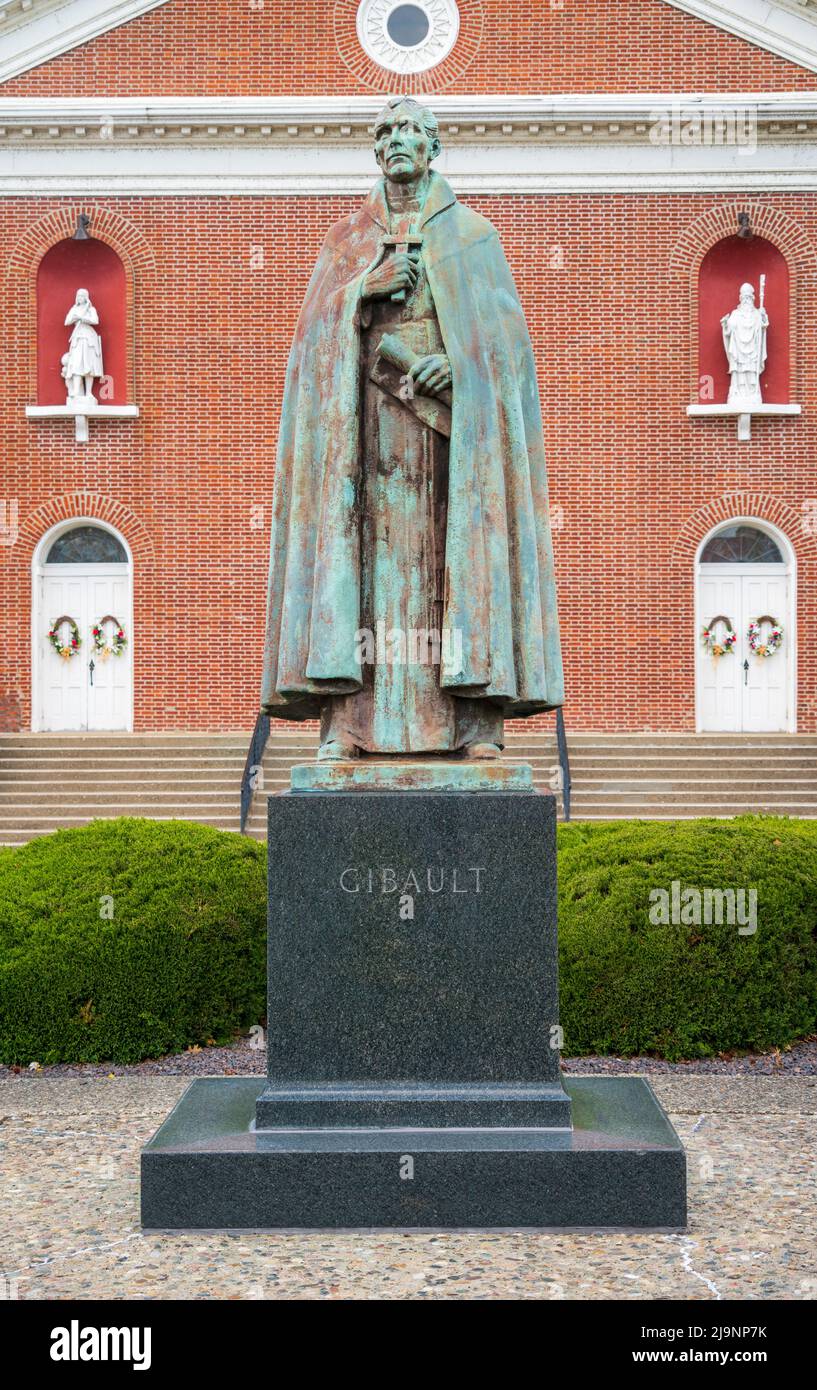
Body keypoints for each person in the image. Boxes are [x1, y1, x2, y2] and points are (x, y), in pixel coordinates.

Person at [261, 96, 564, 760]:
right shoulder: (345, 244)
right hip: (362, 442)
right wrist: (360, 294)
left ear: (433, 149)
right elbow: (308, 349)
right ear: (376, 152)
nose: (398, 140)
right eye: (387, 132)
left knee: (454, 572)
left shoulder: (474, 238)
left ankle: (472, 725)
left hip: (450, 445)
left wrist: (456, 366)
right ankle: (349, 724)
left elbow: (508, 357)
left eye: (411, 131)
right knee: (357, 572)